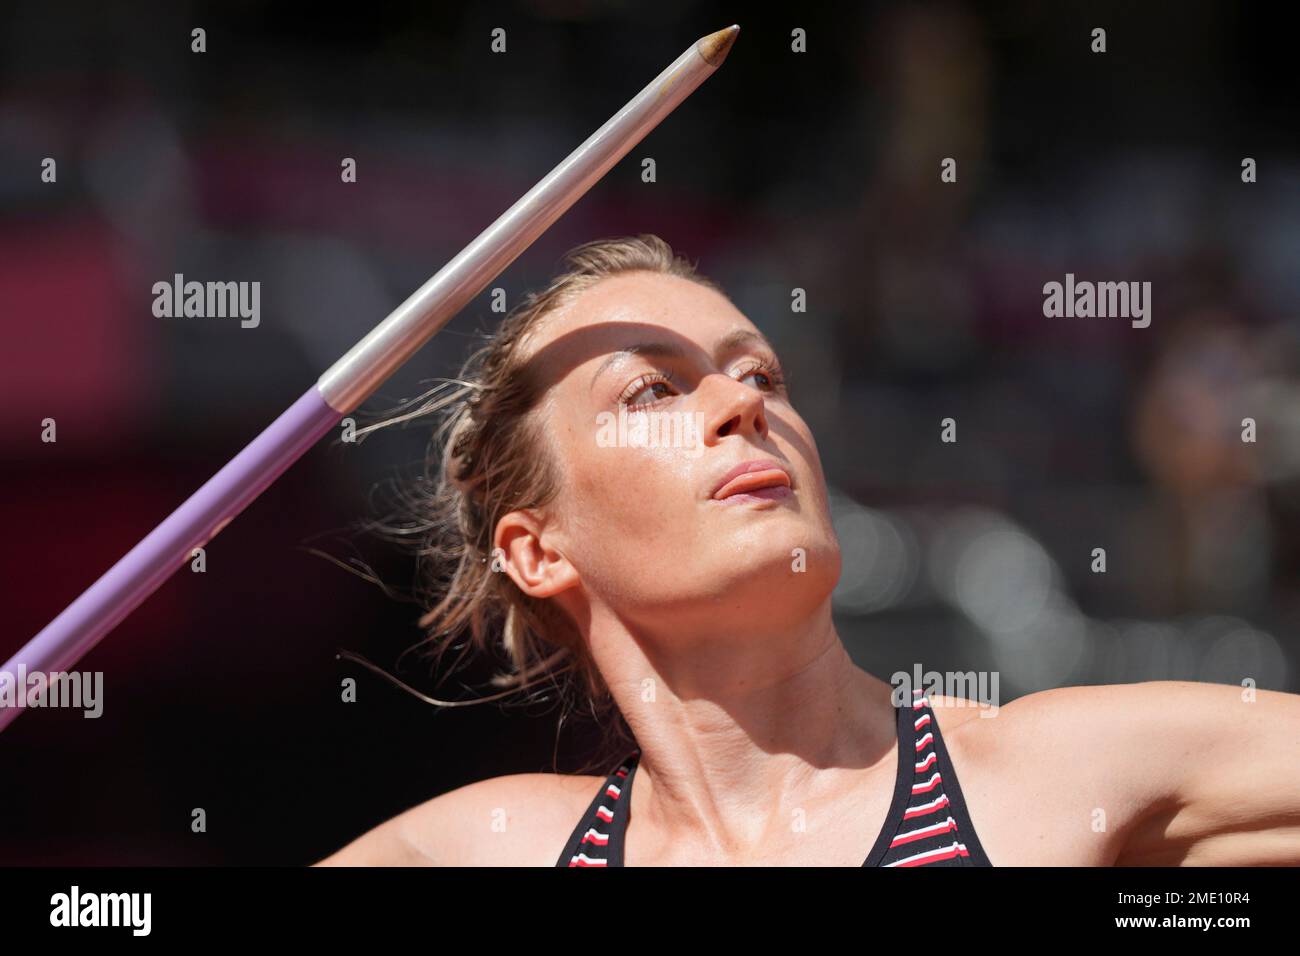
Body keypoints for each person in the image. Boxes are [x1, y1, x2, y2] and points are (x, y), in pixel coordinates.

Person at [314, 234, 1300, 866]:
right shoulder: (490, 847)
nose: (744, 402)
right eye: (651, 390)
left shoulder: (1059, 778)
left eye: (760, 373)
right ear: (537, 549)